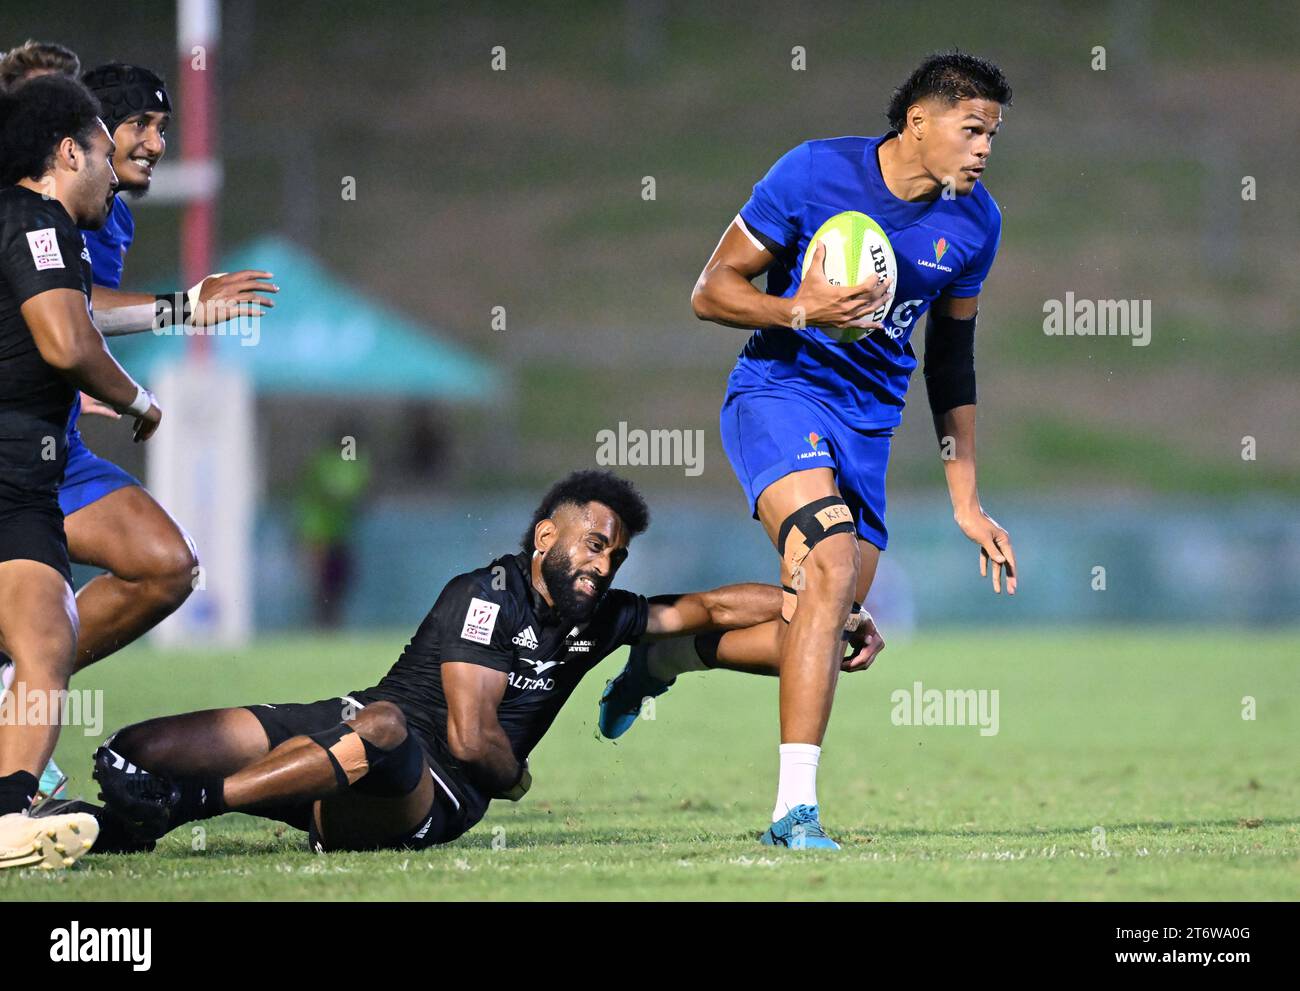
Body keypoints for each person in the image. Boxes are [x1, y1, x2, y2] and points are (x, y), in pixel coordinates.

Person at [626, 50, 1020, 849]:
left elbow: (953, 362)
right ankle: (793, 811)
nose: (984, 149)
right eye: (972, 129)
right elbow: (711, 291)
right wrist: (797, 307)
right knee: (830, 565)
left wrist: (965, 496)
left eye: (993, 136)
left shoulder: (977, 223)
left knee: (829, 628)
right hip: (779, 396)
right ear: (918, 122)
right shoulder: (812, 173)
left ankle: (664, 655)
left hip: (868, 427)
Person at [85, 470, 859, 854]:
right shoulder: (485, 595)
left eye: (617, 555)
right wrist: (519, 778)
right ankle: (112, 822)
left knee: (384, 729)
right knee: (135, 751)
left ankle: (193, 806)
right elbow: (478, 733)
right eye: (594, 546)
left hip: (431, 792)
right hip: (356, 730)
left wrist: (823, 600)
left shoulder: (603, 616)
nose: (604, 565)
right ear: (546, 539)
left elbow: (712, 608)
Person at [0, 74, 162, 869]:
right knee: (41, 639)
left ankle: (8, 809)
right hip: (11, 467)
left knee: (43, 636)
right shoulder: (39, 222)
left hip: (27, 471)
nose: (112, 170)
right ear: (69, 151)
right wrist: (138, 400)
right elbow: (68, 340)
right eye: (104, 150)